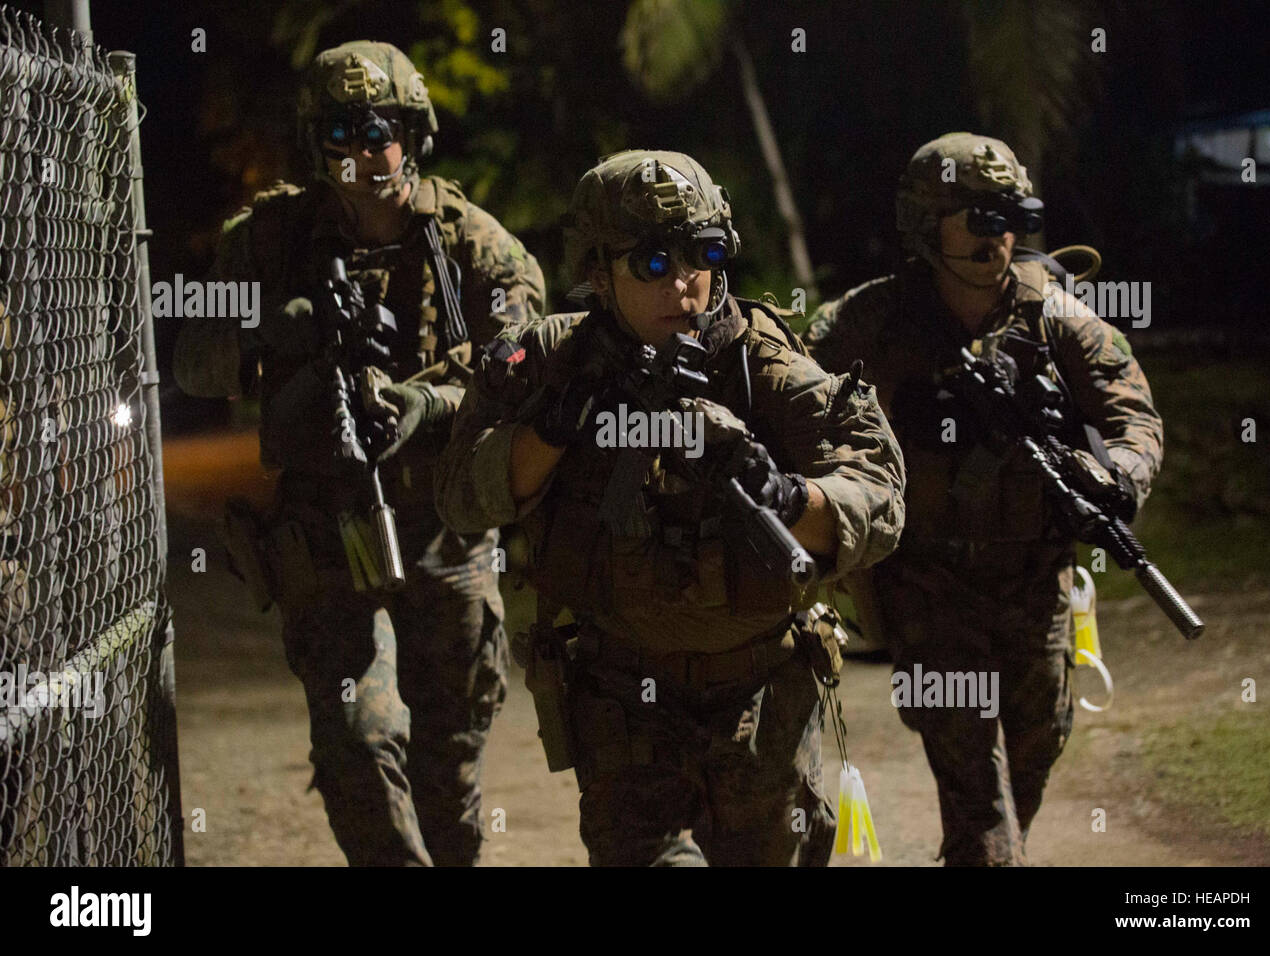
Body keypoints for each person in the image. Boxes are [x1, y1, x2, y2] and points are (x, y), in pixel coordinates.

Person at [434, 149, 905, 866]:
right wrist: (551, 430)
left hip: (758, 694)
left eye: (703, 254)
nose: (684, 284)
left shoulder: (761, 358)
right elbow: (462, 498)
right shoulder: (551, 360)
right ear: (598, 274)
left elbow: (879, 498)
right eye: (653, 263)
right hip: (621, 701)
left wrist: (783, 493)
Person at [173, 41, 545, 866]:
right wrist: (271, 328)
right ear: (317, 144)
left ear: (413, 135)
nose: (362, 149)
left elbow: (526, 372)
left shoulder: (474, 247)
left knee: (447, 766)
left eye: (381, 128)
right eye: (340, 130)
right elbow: (193, 362)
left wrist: (429, 403)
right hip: (327, 530)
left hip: (446, 533)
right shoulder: (266, 241)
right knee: (356, 738)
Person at [805, 132, 1164, 865]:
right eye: (976, 217)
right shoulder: (868, 324)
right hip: (927, 587)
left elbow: (1135, 418)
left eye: (1009, 217)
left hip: (1036, 584)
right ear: (925, 225)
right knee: (973, 780)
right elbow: (792, 400)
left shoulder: (1055, 318)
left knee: (1039, 741)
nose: (997, 236)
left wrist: (1116, 476)